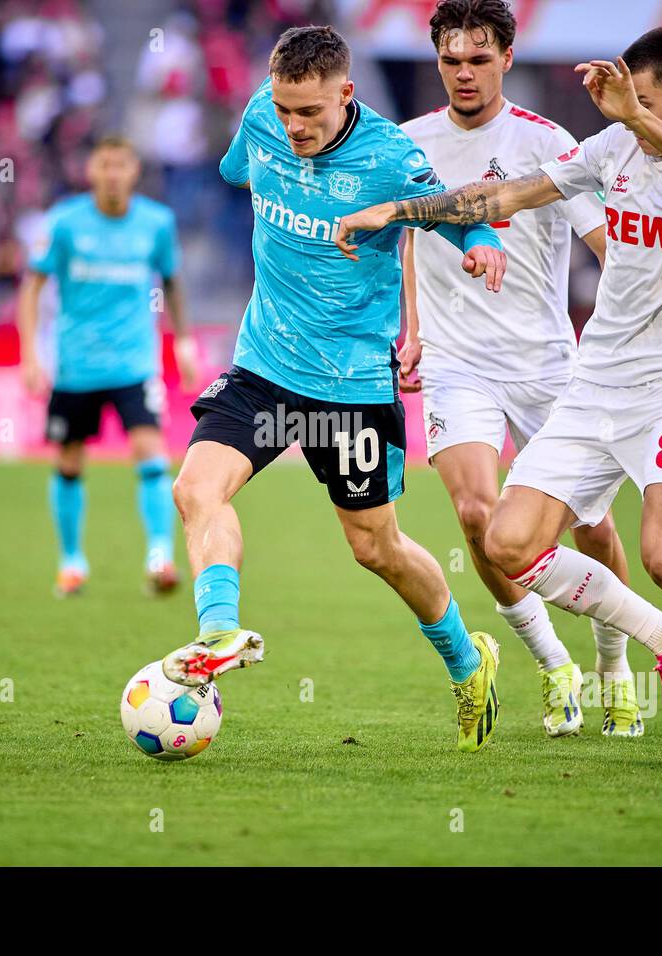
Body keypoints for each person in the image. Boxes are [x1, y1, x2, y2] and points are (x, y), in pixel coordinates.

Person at [336, 27, 662, 773]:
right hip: (595, 381)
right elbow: (502, 195)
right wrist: (398, 213)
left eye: (648, 101)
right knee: (506, 543)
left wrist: (637, 117)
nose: (633, 114)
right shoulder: (608, 152)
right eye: (632, 102)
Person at [162, 26, 510, 753]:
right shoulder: (262, 115)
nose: (293, 127)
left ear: (346, 93)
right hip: (264, 368)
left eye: (310, 114)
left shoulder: (389, 156)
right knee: (196, 490)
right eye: (285, 110)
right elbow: (235, 168)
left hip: (350, 384)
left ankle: (468, 661)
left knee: (374, 547)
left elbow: (448, 211)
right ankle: (219, 632)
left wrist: (481, 245)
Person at [400, 0, 641, 737]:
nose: (463, 73)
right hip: (454, 362)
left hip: (546, 365)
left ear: (507, 57)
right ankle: (551, 666)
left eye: (478, 59)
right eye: (450, 59)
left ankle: (613, 666)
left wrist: (630, 334)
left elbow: (612, 246)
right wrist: (409, 329)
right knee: (478, 515)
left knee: (592, 527)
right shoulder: (409, 144)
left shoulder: (549, 142)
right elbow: (408, 239)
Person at [18, 136, 199, 597]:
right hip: (77, 365)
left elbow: (173, 282)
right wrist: (30, 353)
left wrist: (182, 341)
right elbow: (32, 288)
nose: (113, 173)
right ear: (91, 170)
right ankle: (71, 561)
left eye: (122, 165)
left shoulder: (156, 223)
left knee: (150, 451)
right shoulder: (64, 223)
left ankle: (160, 557)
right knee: (69, 459)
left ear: (134, 171)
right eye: (105, 165)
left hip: (135, 364)